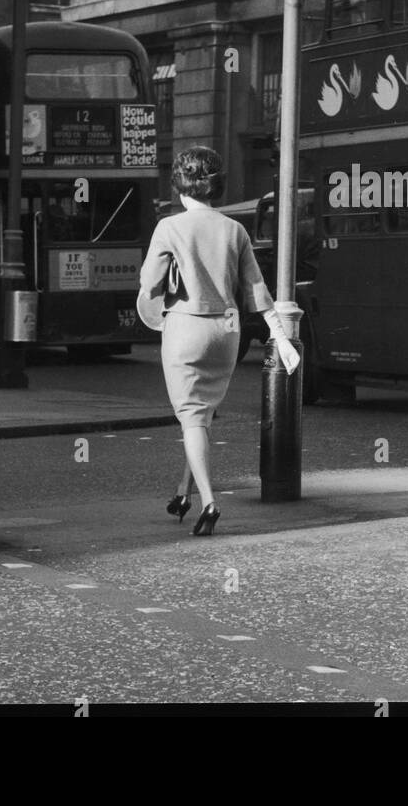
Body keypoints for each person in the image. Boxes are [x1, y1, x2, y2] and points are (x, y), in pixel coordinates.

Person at [139, 146, 299, 537]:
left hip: (186, 329)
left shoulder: (169, 228)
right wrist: (282, 338)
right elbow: (257, 290)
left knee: (192, 417)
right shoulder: (235, 230)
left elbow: (149, 286)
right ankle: (183, 492)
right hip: (227, 332)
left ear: (179, 187)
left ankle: (209, 501)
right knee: (202, 417)